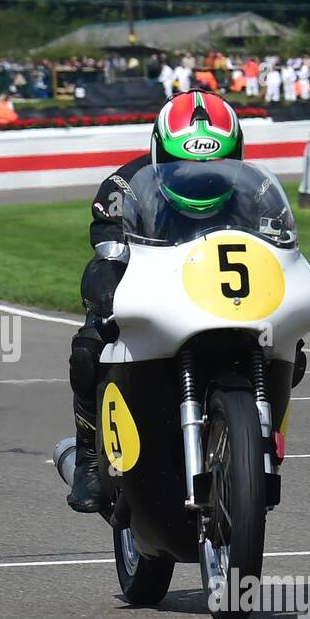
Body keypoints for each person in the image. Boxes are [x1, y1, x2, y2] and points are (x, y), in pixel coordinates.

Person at [66, 91, 246, 512]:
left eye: (216, 161)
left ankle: (256, 443)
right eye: (184, 162)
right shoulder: (123, 186)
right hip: (157, 295)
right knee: (87, 351)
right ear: (159, 150)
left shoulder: (252, 191)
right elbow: (108, 253)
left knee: (293, 352)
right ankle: (90, 458)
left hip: (225, 300)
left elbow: (280, 246)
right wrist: (107, 291)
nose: (200, 172)